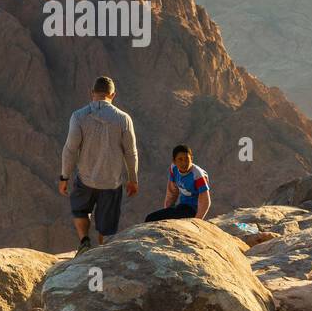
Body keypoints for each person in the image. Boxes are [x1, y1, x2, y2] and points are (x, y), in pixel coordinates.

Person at [59, 76, 138, 253]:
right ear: (113, 95)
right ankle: (101, 253)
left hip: (86, 178)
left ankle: (85, 242)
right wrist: (133, 179)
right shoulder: (123, 119)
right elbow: (131, 152)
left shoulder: (78, 117)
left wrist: (64, 177)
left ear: (92, 93)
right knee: (106, 224)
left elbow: (70, 149)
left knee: (80, 210)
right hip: (112, 182)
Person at [145, 144, 211, 221]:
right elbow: (172, 192)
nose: (184, 163)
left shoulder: (197, 175)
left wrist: (197, 221)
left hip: (192, 210)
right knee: (151, 218)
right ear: (174, 161)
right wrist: (167, 211)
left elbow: (205, 201)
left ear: (191, 159)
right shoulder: (174, 168)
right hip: (181, 207)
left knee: (151, 218)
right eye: (180, 159)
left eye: (187, 159)